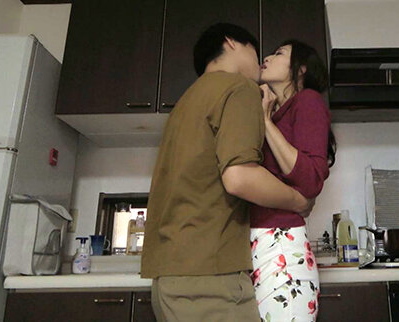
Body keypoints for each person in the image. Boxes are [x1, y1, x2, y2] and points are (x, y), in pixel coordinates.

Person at [140, 23, 314, 322]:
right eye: (256, 51)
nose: (261, 61)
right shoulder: (238, 87)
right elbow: (239, 177)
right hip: (210, 276)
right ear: (231, 42)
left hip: (169, 278)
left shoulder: (186, 102)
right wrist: (299, 201)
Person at [251, 40, 336, 322]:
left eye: (279, 53)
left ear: (301, 69)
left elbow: (311, 180)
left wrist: (266, 123)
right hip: (261, 242)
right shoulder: (276, 114)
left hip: (281, 245)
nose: (267, 57)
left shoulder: (307, 100)